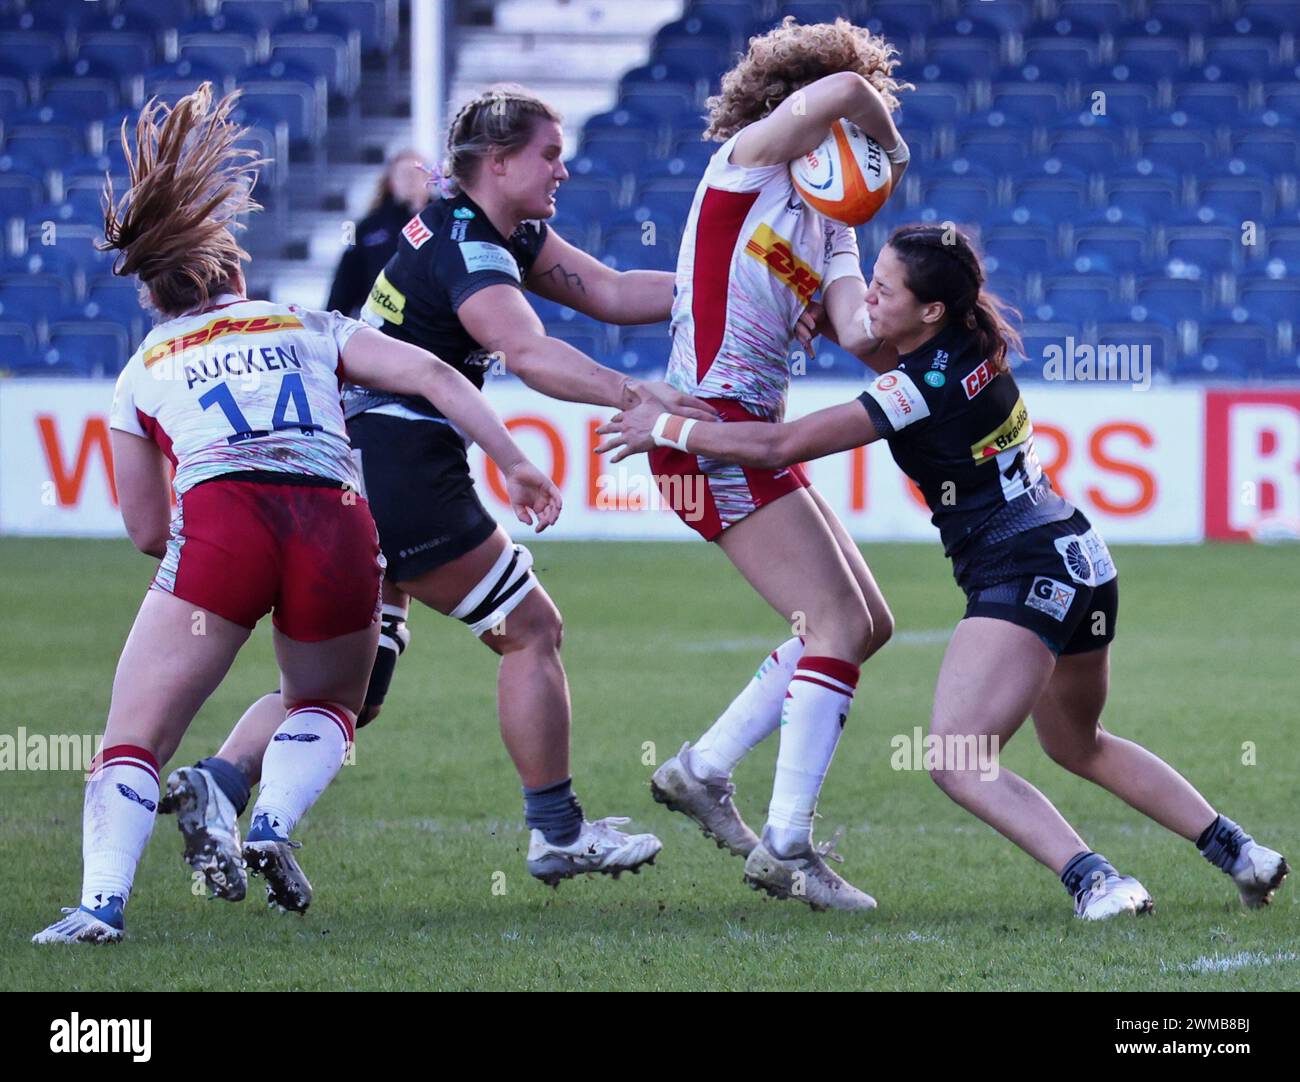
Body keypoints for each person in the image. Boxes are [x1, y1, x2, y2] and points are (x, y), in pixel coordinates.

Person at [156, 81, 778, 898]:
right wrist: (636, 396)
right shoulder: (473, 249)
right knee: (529, 630)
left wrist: (742, 289)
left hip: (358, 464)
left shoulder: (489, 231)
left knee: (347, 692)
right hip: (401, 461)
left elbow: (619, 292)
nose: (563, 169)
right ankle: (557, 835)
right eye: (548, 155)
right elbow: (528, 354)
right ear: (496, 162)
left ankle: (223, 783)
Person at [597, 222, 1290, 920]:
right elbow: (875, 347)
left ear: (929, 309)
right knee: (1081, 743)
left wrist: (667, 428)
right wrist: (816, 282)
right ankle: (1242, 854)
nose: (868, 294)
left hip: (1022, 575)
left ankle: (1099, 884)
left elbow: (783, 442)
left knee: (957, 758)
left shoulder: (917, 385)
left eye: (883, 287)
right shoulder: (963, 345)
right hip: (1081, 560)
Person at [32, 84, 561, 943]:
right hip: (341, 519)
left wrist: (211, 578)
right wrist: (516, 460)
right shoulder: (305, 321)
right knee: (326, 701)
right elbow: (434, 374)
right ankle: (273, 819)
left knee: (134, 738)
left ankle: (99, 908)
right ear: (237, 272)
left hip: (224, 525)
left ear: (159, 293)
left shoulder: (145, 365)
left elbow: (141, 528)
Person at [573, 19, 910, 912]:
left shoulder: (832, 225)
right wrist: (894, 147)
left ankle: (704, 769)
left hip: (746, 435)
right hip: (701, 431)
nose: (854, 141)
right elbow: (844, 92)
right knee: (836, 624)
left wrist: (919, 318)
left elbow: (860, 336)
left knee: (864, 623)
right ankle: (789, 845)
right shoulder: (747, 164)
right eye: (849, 128)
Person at [326, 149, 431, 318]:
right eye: (403, 174)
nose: (410, 180)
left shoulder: (445, 221)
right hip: (381, 322)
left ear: (429, 178)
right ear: (391, 182)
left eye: (416, 173)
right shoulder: (366, 227)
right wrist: (332, 320)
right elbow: (347, 278)